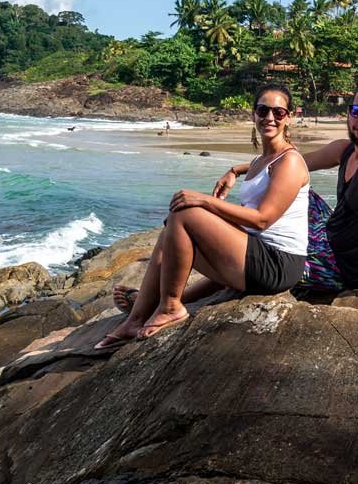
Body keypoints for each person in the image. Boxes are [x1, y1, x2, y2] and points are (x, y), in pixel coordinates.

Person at [94, 83, 309, 352]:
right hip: (258, 254)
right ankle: (136, 318)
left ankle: (170, 306)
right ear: (252, 114)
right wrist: (234, 170)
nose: (269, 118)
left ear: (289, 117)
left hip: (278, 264)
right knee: (170, 230)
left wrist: (204, 201)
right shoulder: (258, 162)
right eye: (263, 110)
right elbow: (258, 181)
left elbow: (262, 220)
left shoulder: (289, 161)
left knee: (185, 213)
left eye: (278, 112)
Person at [215, 83, 358, 313]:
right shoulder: (345, 149)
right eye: (357, 111)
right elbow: (290, 163)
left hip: (348, 266)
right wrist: (236, 170)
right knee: (294, 189)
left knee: (258, 252)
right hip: (331, 238)